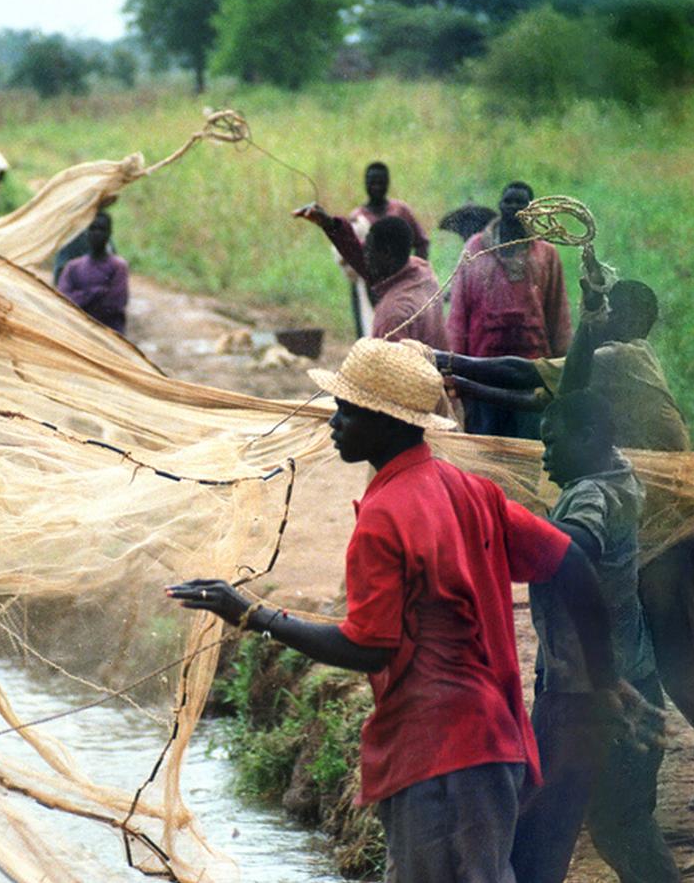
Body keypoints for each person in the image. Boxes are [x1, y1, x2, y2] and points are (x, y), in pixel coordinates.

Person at [166, 338, 646, 883]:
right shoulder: (469, 490)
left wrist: (252, 614)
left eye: (347, 411)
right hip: (494, 746)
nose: (334, 423)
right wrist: (604, 678)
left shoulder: (384, 517)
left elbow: (370, 647)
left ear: (387, 422)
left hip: (436, 758)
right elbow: (573, 564)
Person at [432, 249, 694, 812]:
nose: (603, 317)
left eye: (611, 310)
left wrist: (444, 360)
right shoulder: (616, 360)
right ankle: (613, 782)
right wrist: (462, 380)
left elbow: (530, 374)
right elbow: (543, 397)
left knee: (682, 660)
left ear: (631, 321)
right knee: (640, 653)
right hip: (647, 523)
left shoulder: (620, 358)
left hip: (667, 536)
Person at [512, 389, 679, 883]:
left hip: (585, 694)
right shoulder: (620, 474)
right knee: (622, 823)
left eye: (552, 442)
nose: (544, 455)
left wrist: (518, 531)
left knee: (540, 833)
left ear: (588, 439)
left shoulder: (590, 494)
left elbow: (577, 544)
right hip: (634, 678)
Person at [446, 181, 571, 438]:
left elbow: (558, 315)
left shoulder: (547, 254)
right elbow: (459, 314)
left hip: (531, 375)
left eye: (521, 203)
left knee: (527, 451)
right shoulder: (475, 248)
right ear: (499, 206)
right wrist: (454, 364)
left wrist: (562, 373)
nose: (514, 207)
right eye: (508, 202)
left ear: (532, 209)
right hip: (481, 371)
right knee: (485, 447)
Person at [293, 205, 448, 352]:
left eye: (369, 250)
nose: (364, 256)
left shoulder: (391, 316)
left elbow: (390, 376)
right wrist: (330, 225)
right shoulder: (422, 272)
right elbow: (362, 258)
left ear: (386, 255)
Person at [333, 162, 432, 337]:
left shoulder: (400, 211)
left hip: (401, 280)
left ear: (388, 183)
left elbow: (422, 242)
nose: (377, 187)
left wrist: (417, 272)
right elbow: (348, 251)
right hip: (368, 284)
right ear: (365, 184)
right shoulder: (358, 218)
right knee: (368, 331)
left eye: (381, 182)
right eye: (372, 183)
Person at [56, 212, 129, 334]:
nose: (97, 233)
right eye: (93, 229)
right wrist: (96, 292)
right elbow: (63, 300)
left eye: (101, 229)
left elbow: (115, 303)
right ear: (86, 232)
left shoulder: (118, 266)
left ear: (109, 233)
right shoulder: (73, 267)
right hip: (79, 332)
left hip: (111, 335)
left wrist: (81, 298)